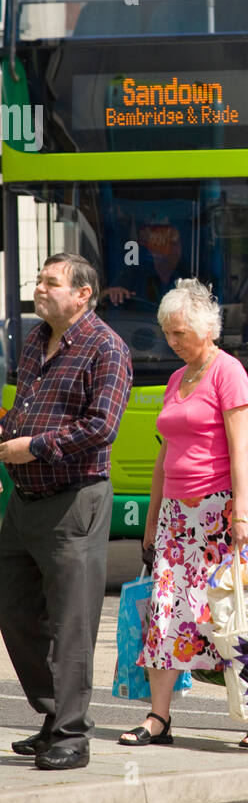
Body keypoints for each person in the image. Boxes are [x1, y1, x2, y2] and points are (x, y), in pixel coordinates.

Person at [118, 279, 248, 749]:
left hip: (218, 516)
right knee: (167, 614)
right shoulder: (175, 378)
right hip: (176, 518)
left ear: (208, 328)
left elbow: (240, 451)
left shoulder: (227, 372)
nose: (172, 341)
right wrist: (152, 520)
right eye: (167, 333)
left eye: (180, 332)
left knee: (238, 614)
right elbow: (164, 456)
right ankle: (159, 718)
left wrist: (241, 514)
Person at [0, 253, 132, 771]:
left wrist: (35, 447)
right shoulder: (35, 339)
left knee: (72, 624)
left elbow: (102, 427)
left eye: (50, 282)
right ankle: (56, 715)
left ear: (82, 294)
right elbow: (29, 407)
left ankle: (72, 735)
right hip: (23, 501)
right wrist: (10, 430)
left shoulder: (107, 348)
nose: (39, 288)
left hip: (74, 501)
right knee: (14, 610)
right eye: (39, 279)